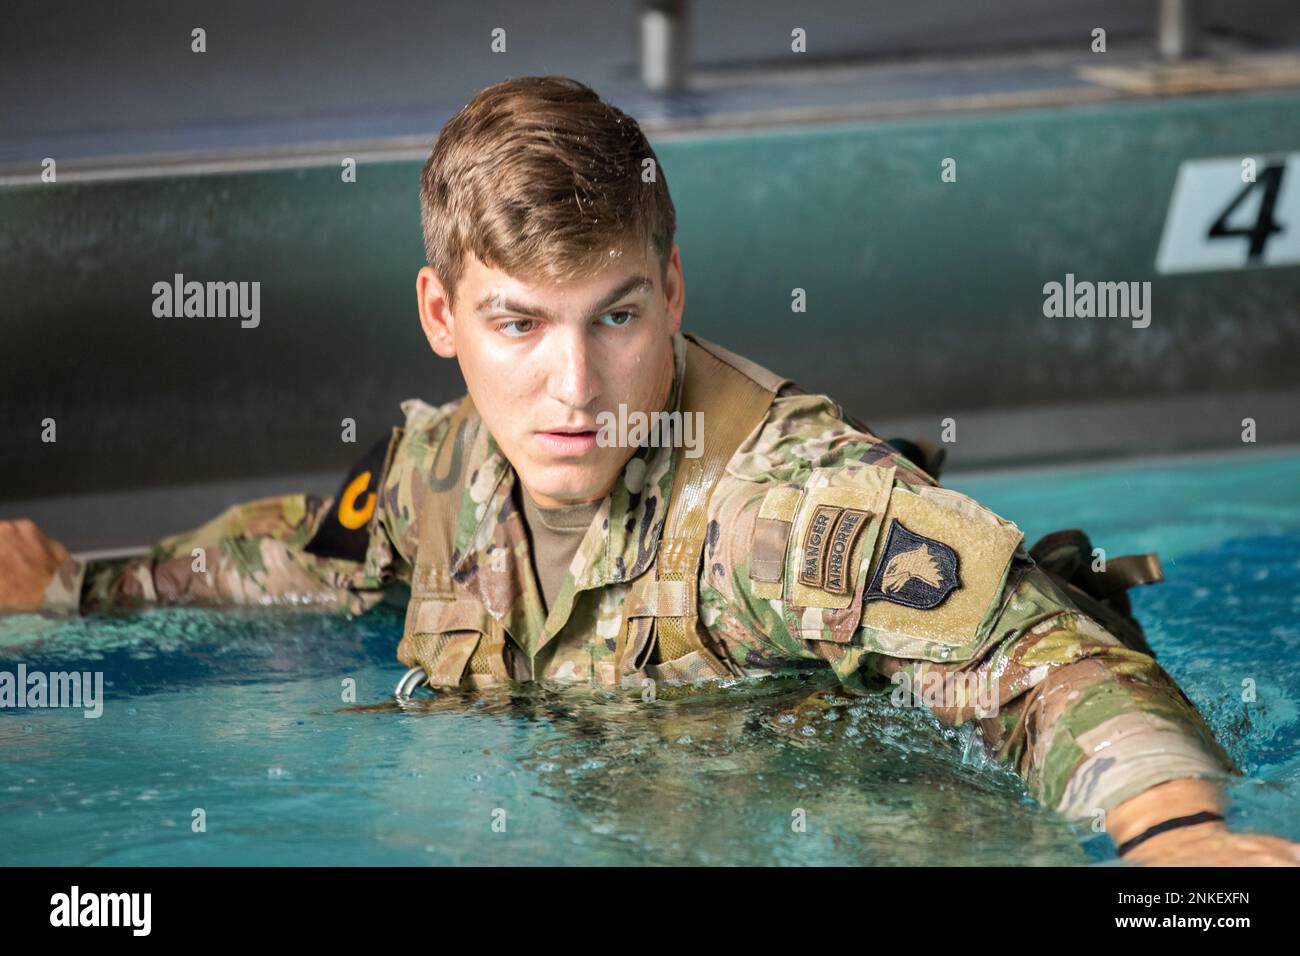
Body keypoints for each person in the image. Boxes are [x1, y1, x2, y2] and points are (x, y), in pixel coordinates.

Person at [2, 76, 1296, 867]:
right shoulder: (443, 463)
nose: (575, 388)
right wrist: (77, 591)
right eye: (519, 324)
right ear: (442, 318)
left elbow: (1049, 656)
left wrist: (1175, 840)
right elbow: (296, 551)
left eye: (615, 317)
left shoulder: (784, 513)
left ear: (672, 292)